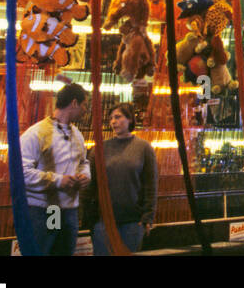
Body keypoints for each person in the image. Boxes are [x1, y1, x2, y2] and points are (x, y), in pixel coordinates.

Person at [20, 82, 91, 255]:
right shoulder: (36, 134)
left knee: (63, 251)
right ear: (74, 103)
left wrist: (84, 175)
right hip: (49, 210)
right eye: (84, 105)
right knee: (46, 250)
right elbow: (22, 172)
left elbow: (83, 162)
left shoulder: (77, 135)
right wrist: (59, 181)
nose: (85, 110)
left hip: (69, 209)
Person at [84, 102, 157, 255]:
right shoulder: (100, 149)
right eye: (111, 118)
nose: (113, 122)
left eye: (118, 117)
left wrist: (147, 217)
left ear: (130, 119)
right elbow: (90, 185)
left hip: (133, 220)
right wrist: (88, 218)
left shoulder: (143, 148)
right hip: (103, 221)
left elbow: (151, 185)